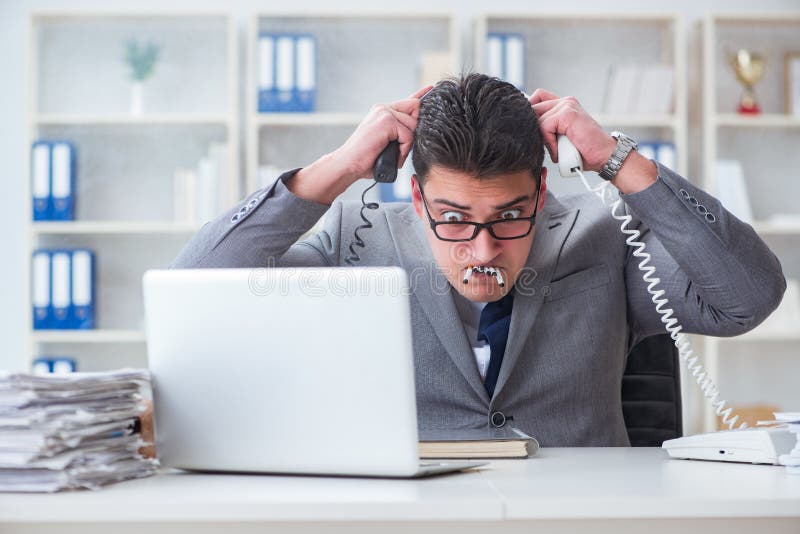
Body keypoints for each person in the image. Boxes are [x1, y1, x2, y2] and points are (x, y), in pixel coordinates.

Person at [171, 73, 785, 446]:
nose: (483, 249)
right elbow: (192, 295)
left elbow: (748, 297)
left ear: (542, 193)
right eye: (455, 219)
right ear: (416, 195)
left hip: (581, 516)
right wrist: (339, 167)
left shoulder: (604, 238)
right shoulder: (354, 243)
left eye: (510, 217)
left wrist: (619, 159)